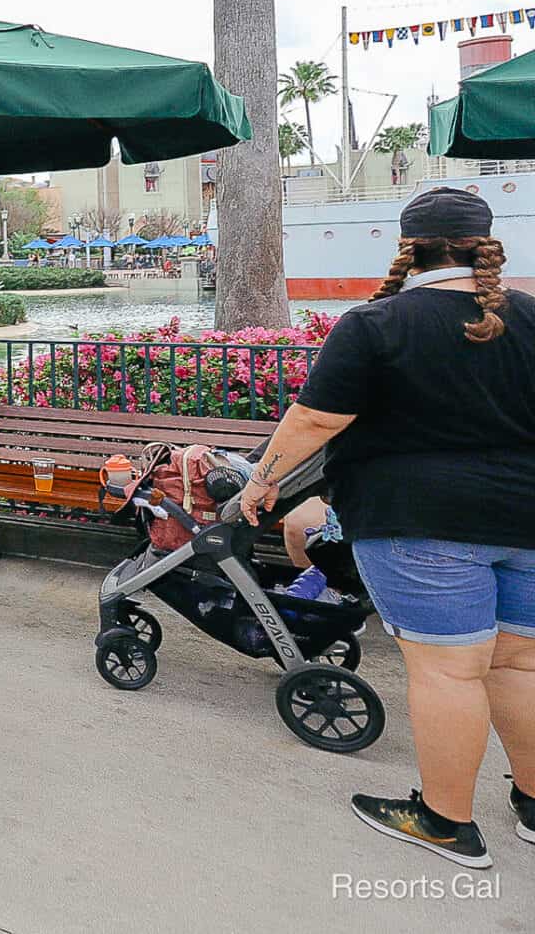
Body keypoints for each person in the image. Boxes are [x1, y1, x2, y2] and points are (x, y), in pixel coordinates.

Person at [239, 188, 535, 868]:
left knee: (450, 674)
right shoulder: (531, 316)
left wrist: (263, 480)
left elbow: (315, 420)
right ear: (483, 244)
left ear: (410, 248)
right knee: (521, 665)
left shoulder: (377, 324)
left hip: (419, 522)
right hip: (527, 517)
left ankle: (445, 822)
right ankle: (533, 805)